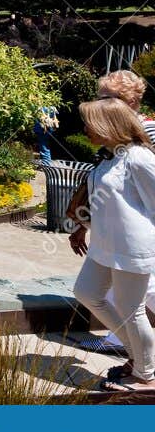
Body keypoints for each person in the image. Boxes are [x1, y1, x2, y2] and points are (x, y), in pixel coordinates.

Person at [69, 98, 155, 391]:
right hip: (104, 244)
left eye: (89, 123)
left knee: (132, 310)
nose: (85, 129)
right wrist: (82, 227)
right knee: (86, 292)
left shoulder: (138, 158)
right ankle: (137, 355)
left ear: (109, 125)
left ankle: (145, 375)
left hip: (131, 248)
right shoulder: (109, 156)